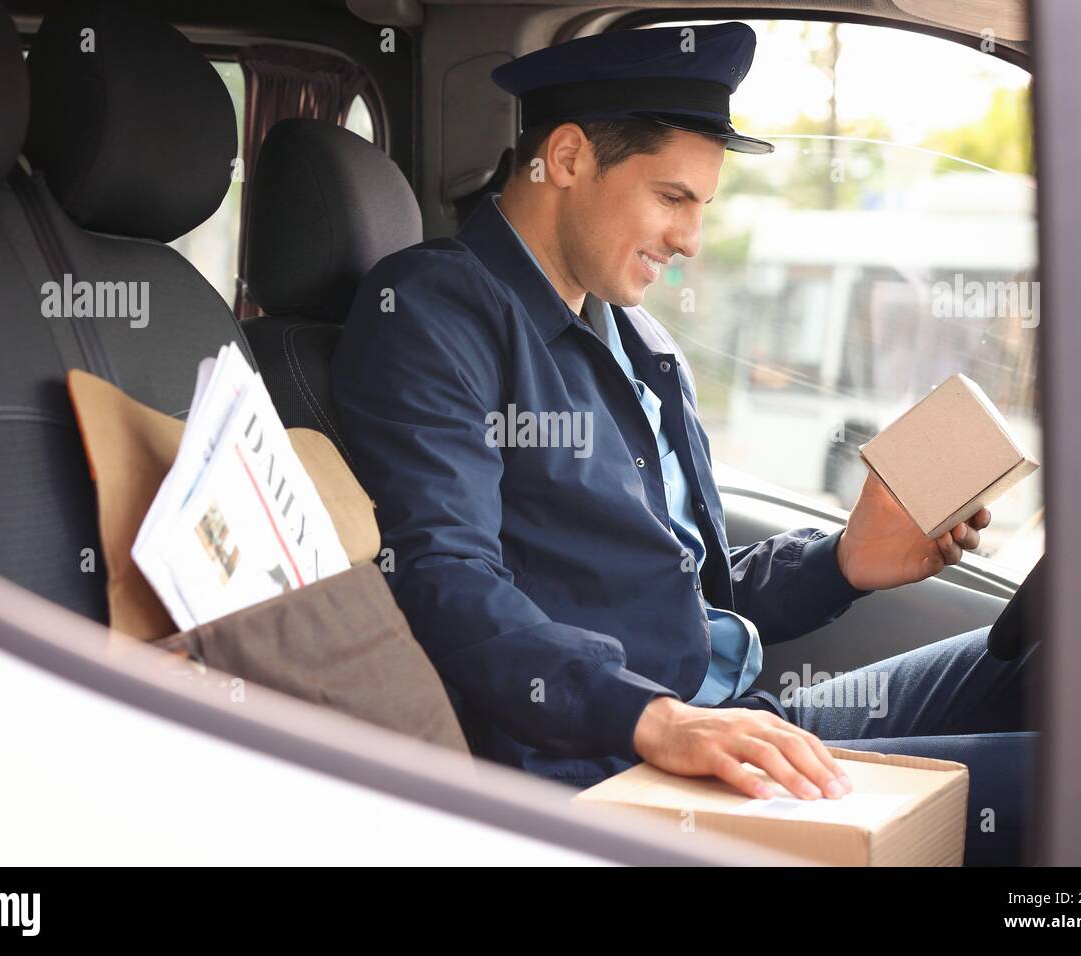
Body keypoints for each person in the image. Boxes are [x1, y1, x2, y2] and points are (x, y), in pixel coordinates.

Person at [331, 21, 1036, 864]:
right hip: (614, 770)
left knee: (1063, 671)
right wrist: (656, 717)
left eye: (702, 205)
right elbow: (442, 581)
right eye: (672, 198)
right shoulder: (434, 315)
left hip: (725, 722)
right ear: (565, 158)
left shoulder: (639, 342)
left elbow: (684, 593)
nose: (692, 240)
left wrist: (845, 559)